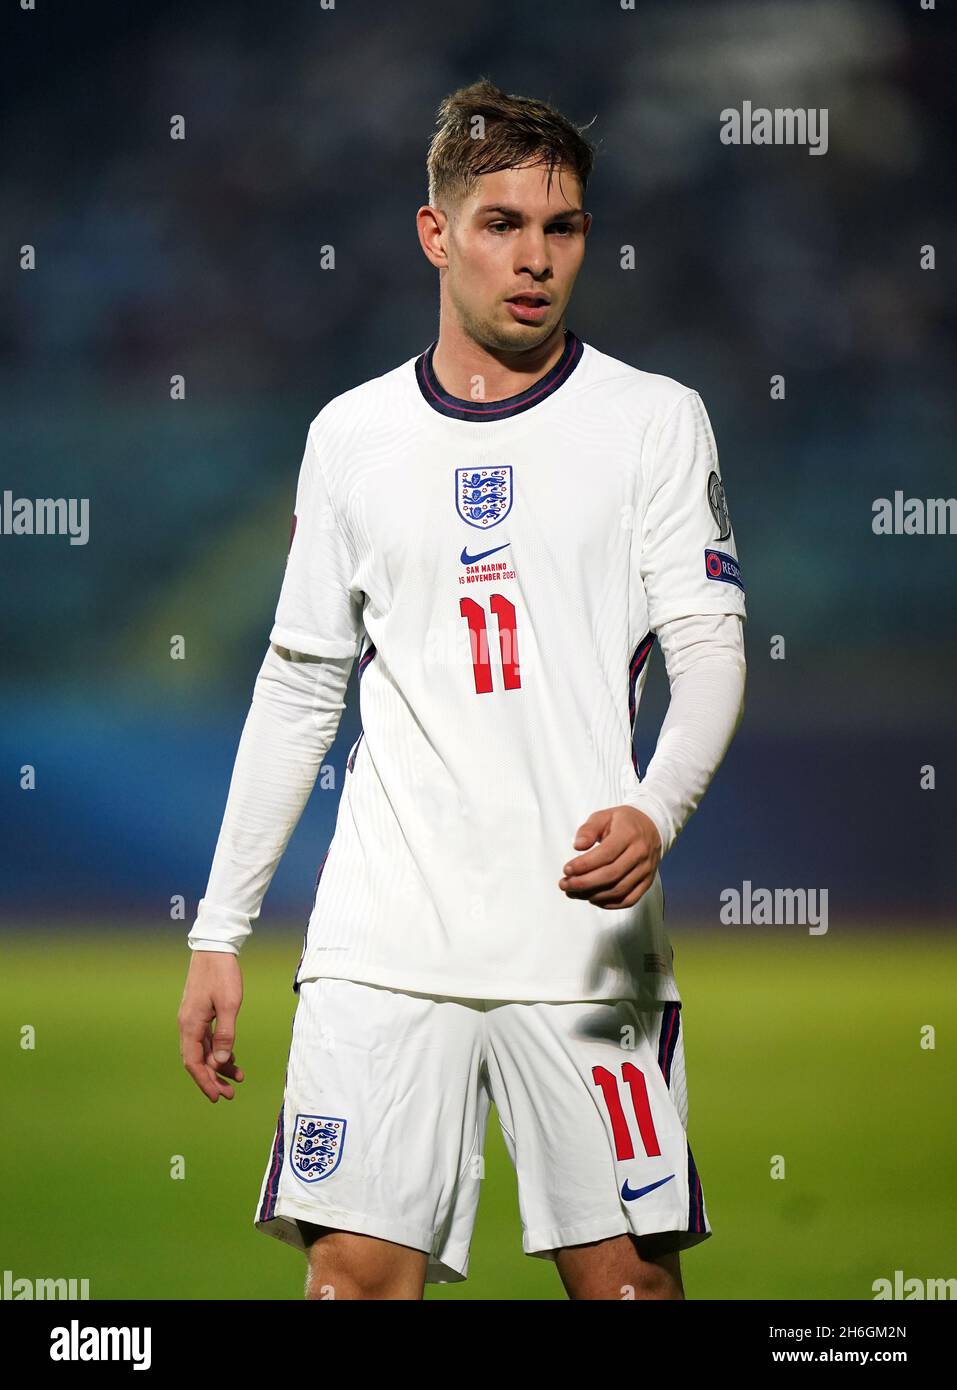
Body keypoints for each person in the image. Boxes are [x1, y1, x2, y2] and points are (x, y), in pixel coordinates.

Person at [178, 77, 747, 1301]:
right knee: (352, 1287)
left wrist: (656, 808)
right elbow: (297, 689)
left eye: (564, 227)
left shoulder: (654, 421)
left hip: (584, 943)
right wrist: (221, 929)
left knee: (630, 1291)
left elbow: (709, 650)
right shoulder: (352, 435)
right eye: (502, 224)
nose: (536, 258)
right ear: (436, 233)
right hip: (385, 937)